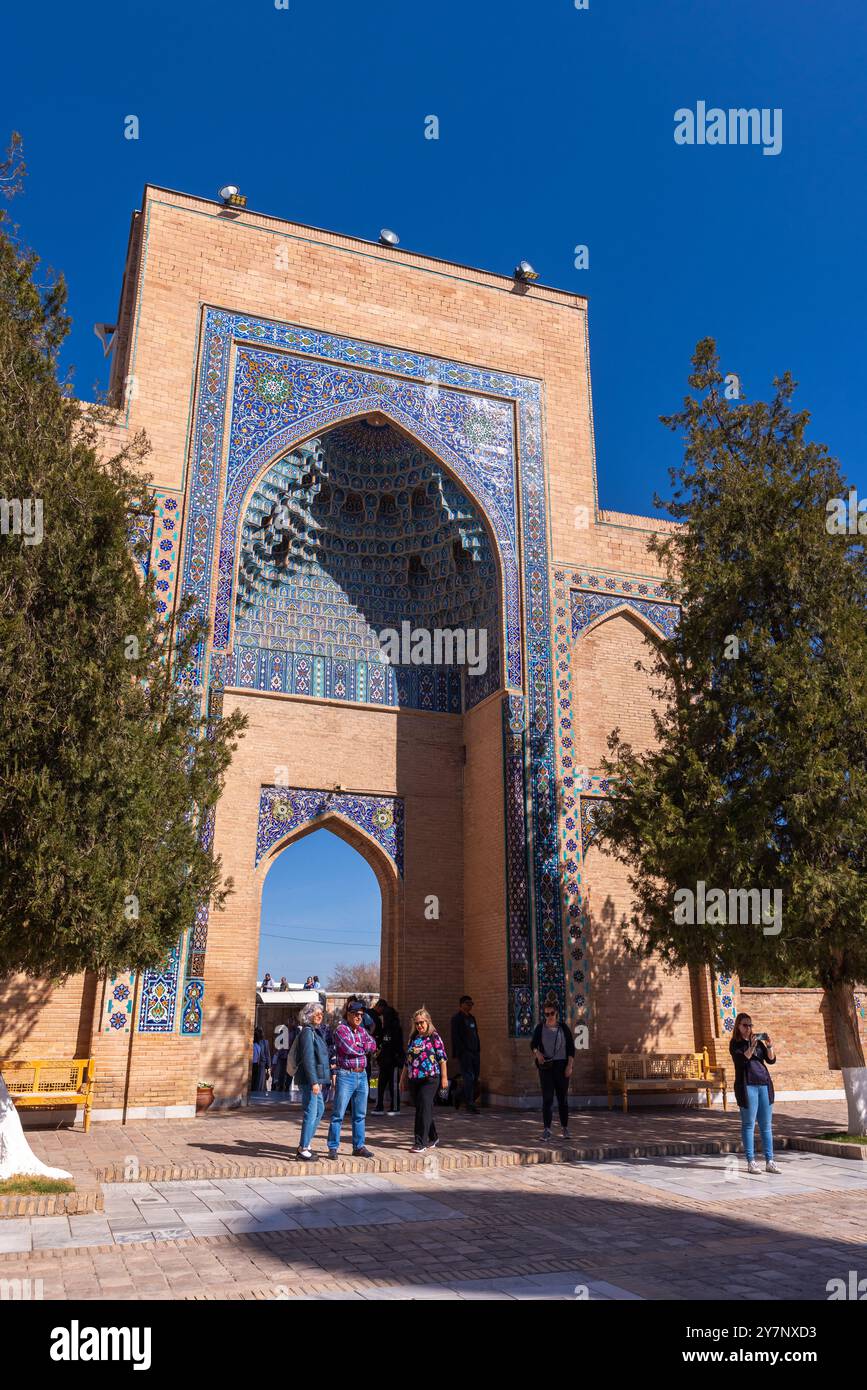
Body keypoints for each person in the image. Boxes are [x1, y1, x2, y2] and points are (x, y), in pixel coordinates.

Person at [729, 1012, 781, 1174]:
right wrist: (751, 1046)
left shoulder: (758, 1043)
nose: (749, 1028)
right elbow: (742, 1060)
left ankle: (770, 1161)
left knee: (766, 1125)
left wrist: (769, 1045)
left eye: (750, 1025)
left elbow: (771, 1060)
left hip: (764, 1084)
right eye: (745, 1025)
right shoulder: (735, 1044)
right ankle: (751, 1161)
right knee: (749, 1124)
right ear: (738, 1026)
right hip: (747, 1086)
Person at [327, 1000, 378, 1159]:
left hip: (362, 1075)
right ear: (348, 1014)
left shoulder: (362, 1031)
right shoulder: (341, 1030)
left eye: (361, 1015)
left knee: (360, 1114)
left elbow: (374, 1045)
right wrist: (363, 1048)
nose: (359, 1017)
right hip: (346, 1075)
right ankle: (333, 1147)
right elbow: (349, 1049)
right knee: (338, 1113)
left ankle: (359, 1146)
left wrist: (361, 1046)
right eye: (356, 1014)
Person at [401, 1008, 449, 1154]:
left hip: (430, 1078)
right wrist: (402, 1079)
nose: (419, 1026)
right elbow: (407, 1061)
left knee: (423, 1108)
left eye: (422, 1022)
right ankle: (433, 1137)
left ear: (428, 1022)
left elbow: (442, 1059)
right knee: (423, 1108)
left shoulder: (434, 1037)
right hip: (414, 1079)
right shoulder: (413, 1039)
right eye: (417, 1023)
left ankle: (419, 1142)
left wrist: (444, 1079)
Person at [530, 1002, 575, 1140]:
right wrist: (537, 1053)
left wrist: (569, 1066)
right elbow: (533, 1044)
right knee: (547, 1099)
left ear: (556, 1013)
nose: (549, 1016)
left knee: (563, 1099)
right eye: (546, 1014)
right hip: (546, 1067)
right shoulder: (540, 1028)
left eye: (551, 1013)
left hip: (562, 1067)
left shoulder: (563, 1028)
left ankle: (565, 1128)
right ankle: (547, 1129)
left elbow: (571, 1049)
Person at [295, 1001, 331, 1159]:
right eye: (316, 1013)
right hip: (310, 1080)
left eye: (321, 1014)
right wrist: (314, 1082)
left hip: (316, 1079)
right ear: (308, 1015)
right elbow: (308, 1058)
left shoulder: (315, 1032)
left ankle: (306, 1142)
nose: (319, 1016)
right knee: (311, 1112)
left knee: (320, 1110)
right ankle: (303, 1148)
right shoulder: (307, 1032)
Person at [372, 999, 404, 1114]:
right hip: (385, 1061)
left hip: (393, 1061)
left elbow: (398, 1046)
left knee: (393, 1085)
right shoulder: (384, 1030)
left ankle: (395, 1107)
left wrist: (398, 1058)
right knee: (381, 1084)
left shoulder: (395, 1029)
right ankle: (379, 1106)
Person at [450, 995, 481, 1112]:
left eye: (471, 1004)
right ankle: (470, 1103)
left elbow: (475, 1034)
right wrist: (462, 1051)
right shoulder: (457, 1019)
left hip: (475, 1052)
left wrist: (477, 1049)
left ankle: (458, 1095)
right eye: (467, 1004)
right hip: (465, 1053)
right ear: (461, 1004)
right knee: (468, 1077)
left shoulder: (472, 1018)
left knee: (474, 1078)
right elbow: (456, 1037)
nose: (470, 1006)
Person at [253, 1026, 270, 1093]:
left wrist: (268, 1066)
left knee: (261, 1081)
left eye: (260, 1031)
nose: (259, 1033)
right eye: (257, 1031)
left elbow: (267, 1054)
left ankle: (259, 1093)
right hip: (255, 1064)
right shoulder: (254, 1042)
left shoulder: (265, 1042)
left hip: (262, 1064)